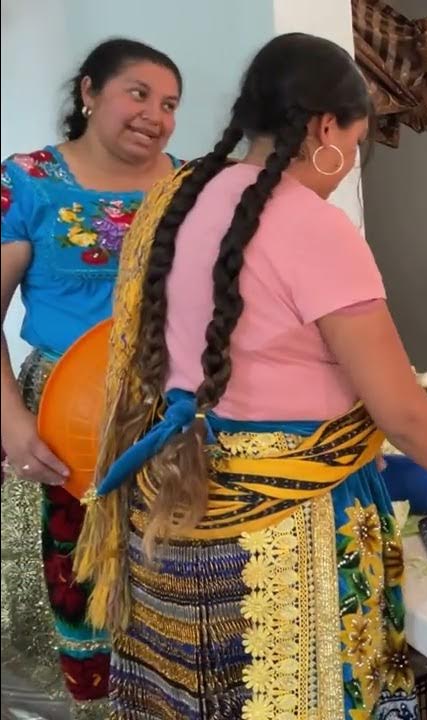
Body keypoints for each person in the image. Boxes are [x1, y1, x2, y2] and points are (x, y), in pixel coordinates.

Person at [72, 33, 427, 719]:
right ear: (326, 128)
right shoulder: (314, 228)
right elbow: (404, 414)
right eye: (356, 143)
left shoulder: (177, 198)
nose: (349, 164)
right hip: (287, 531)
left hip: (178, 504)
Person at [0, 38, 183, 714]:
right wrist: (13, 422)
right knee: (78, 574)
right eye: (138, 93)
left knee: (169, 564)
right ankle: (96, 702)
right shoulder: (27, 179)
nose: (155, 115)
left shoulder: (189, 184)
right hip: (62, 412)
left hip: (171, 411)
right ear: (88, 92)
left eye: (169, 104)